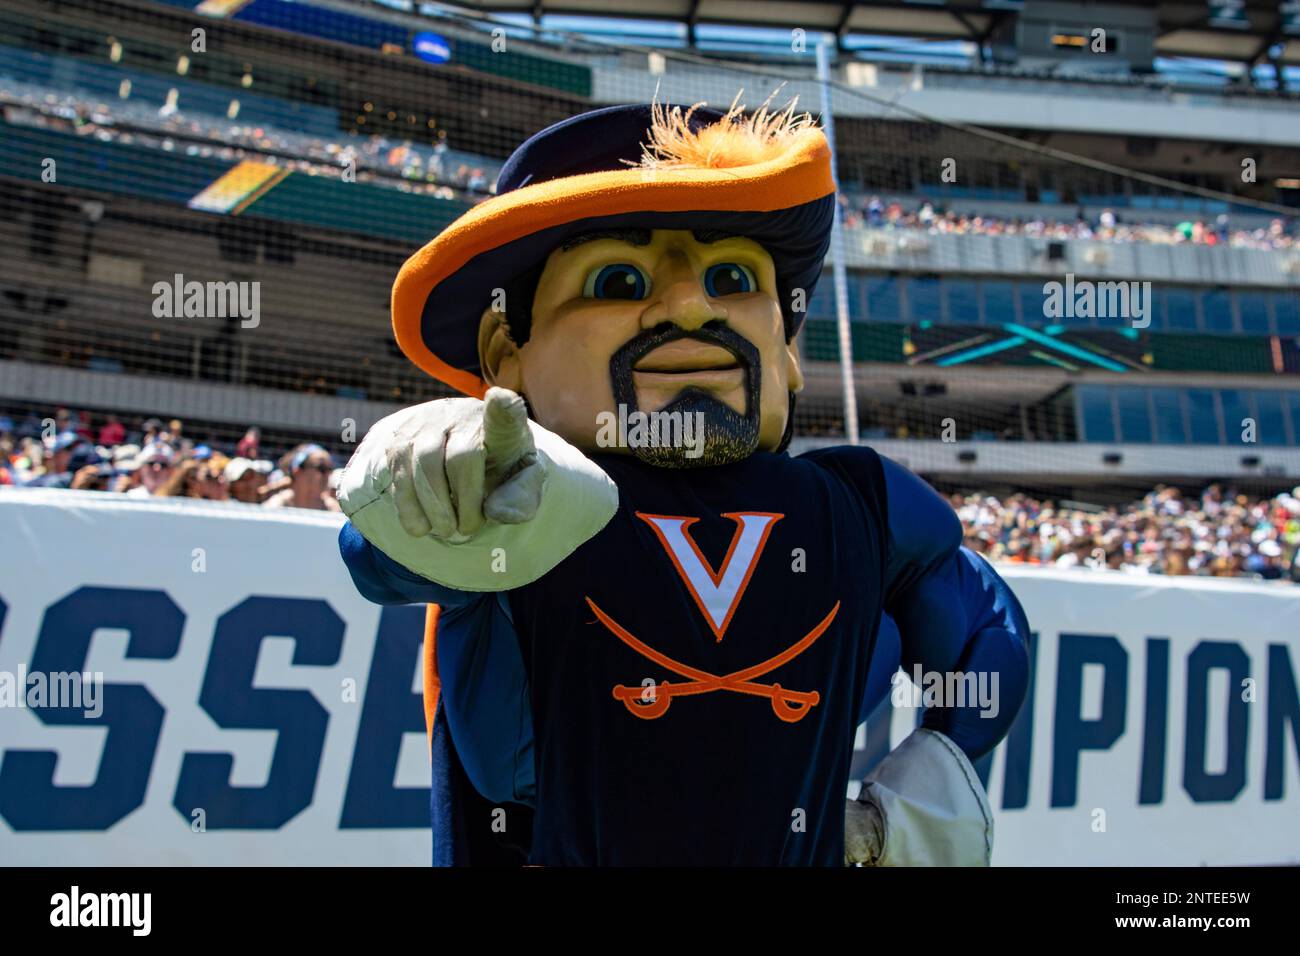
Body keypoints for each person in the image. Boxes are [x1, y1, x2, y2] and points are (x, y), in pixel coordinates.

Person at [333, 97, 1030, 866]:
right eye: (619, 281)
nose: (693, 305)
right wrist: (424, 462)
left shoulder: (859, 507)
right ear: (506, 352)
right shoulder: (526, 500)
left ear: (788, 347)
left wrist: (907, 806)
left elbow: (979, 629)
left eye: (732, 277)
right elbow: (386, 553)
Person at [263, 444, 339, 510]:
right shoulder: (274, 508)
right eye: (321, 468)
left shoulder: (335, 512)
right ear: (297, 472)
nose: (327, 474)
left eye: (329, 469)